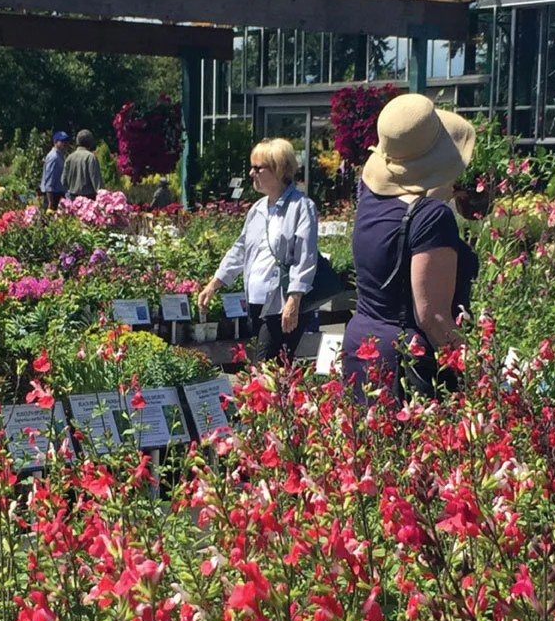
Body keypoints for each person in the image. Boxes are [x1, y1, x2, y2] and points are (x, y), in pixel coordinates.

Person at [341, 93, 476, 405]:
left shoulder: (370, 197)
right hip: (406, 361)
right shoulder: (432, 217)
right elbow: (432, 316)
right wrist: (477, 373)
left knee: (367, 450)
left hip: (362, 344)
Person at [198, 137, 318, 363]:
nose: (251, 173)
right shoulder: (258, 209)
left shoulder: (301, 207)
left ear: (279, 169)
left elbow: (305, 256)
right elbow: (241, 249)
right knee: (272, 372)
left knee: (267, 368)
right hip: (256, 302)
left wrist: (294, 299)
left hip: (281, 304)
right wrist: (214, 284)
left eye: (257, 168)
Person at [62, 130, 102, 200]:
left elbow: (63, 181)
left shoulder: (69, 157)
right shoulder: (90, 157)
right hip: (88, 199)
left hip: (72, 198)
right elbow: (96, 181)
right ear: (90, 142)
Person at [39, 131, 70, 210]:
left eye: (66, 141)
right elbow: (49, 179)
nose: (65, 144)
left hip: (58, 194)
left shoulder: (60, 156)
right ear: (55, 142)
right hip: (53, 196)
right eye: (62, 141)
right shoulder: (54, 157)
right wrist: (50, 202)